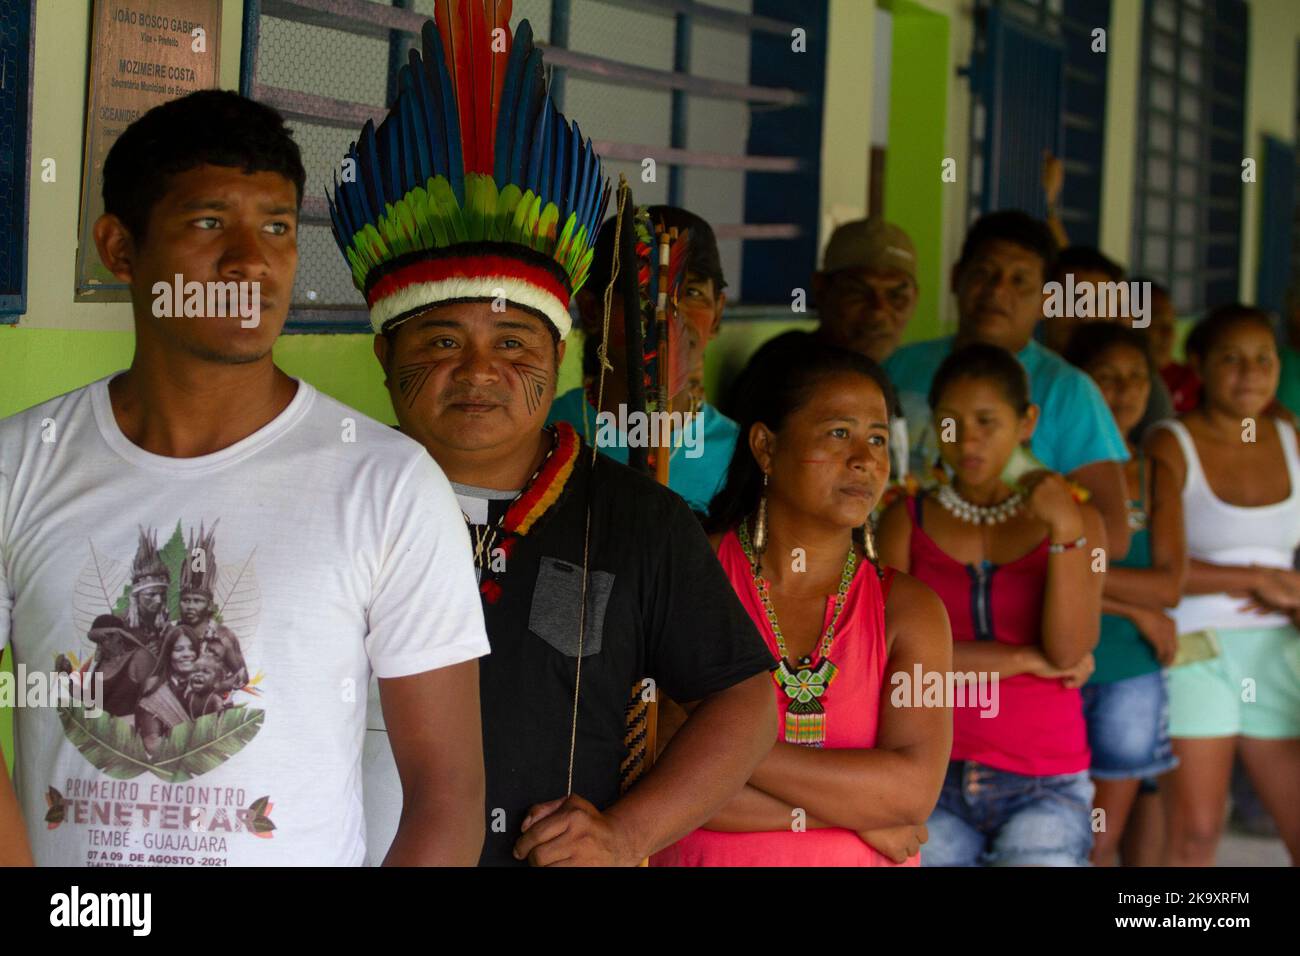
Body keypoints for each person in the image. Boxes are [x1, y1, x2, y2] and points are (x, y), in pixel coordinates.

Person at [0, 89, 490, 867]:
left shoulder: (387, 485)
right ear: (120, 248)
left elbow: (449, 794)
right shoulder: (19, 466)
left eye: (277, 227)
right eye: (208, 223)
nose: (250, 260)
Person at [335, 9, 777, 867]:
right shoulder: (329, 494)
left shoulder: (636, 520)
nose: (478, 372)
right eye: (438, 343)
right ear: (385, 353)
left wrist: (629, 833)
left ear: (559, 354)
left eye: (512, 345)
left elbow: (746, 701)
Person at [650, 338, 952, 866]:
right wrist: (861, 810)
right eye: (840, 433)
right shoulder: (691, 569)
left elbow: (910, 794)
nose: (864, 459)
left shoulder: (909, 609)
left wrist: (719, 747)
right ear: (766, 446)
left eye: (878, 440)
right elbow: (655, 768)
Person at [877, 343, 1106, 866]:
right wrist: (1025, 660)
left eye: (987, 421)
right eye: (951, 422)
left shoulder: (1077, 522)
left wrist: (1065, 530)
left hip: (1044, 774)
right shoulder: (905, 520)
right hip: (927, 770)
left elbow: (1068, 650)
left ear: (1027, 422)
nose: (968, 439)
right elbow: (902, 663)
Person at [883, 210, 1131, 559]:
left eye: (1019, 281)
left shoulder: (1069, 390)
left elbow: (1112, 536)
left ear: (1048, 300)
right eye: (984, 274)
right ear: (956, 277)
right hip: (900, 579)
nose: (998, 291)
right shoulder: (901, 366)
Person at [1148, 305, 1300, 865]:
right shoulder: (1171, 444)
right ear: (1199, 366)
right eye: (1231, 359)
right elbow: (1162, 572)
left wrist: (1294, 593)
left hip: (1280, 651)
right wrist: (1261, 578)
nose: (1250, 373)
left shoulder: (1292, 440)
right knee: (1196, 832)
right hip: (1196, 648)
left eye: (1264, 360)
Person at [1063, 322, 1185, 866]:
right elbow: (1025, 574)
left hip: (1128, 675)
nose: (1124, 390)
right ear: (1078, 388)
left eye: (1136, 377)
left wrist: (1077, 576)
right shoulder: (1050, 474)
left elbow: (1170, 585)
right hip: (1058, 664)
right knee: (1052, 831)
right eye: (1106, 378)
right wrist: (1136, 608)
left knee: (1096, 843)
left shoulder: (1154, 473)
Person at [548, 206, 740, 513]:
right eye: (645, 291)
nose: (670, 315)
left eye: (691, 292)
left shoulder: (741, 459)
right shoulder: (545, 435)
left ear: (717, 315)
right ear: (592, 310)